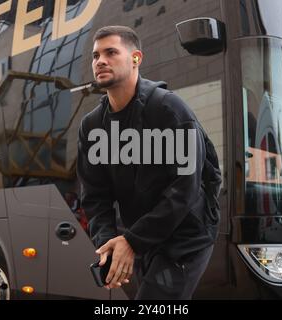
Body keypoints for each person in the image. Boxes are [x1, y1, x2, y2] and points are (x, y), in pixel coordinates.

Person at [77, 26, 219, 299]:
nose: (100, 61)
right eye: (95, 56)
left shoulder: (169, 110)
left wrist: (131, 241)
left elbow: (185, 189)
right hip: (142, 235)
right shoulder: (92, 126)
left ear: (136, 58)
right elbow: (95, 196)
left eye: (111, 52)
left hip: (186, 235)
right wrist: (109, 245)